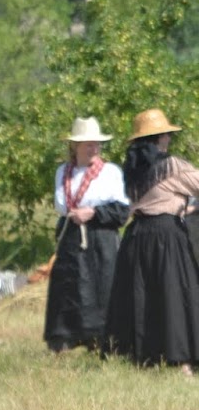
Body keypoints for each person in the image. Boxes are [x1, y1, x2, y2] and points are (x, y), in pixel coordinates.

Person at [102, 108, 199, 375]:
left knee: (141, 297)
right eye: (166, 134)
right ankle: (182, 362)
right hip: (166, 234)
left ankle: (146, 357)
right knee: (176, 295)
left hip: (136, 235)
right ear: (159, 138)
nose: (168, 139)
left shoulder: (130, 171)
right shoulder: (172, 166)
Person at [45, 117, 129, 353]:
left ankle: (102, 342)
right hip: (71, 235)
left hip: (100, 237)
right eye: (88, 144)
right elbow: (61, 205)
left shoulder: (111, 172)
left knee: (102, 287)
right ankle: (63, 340)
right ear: (75, 146)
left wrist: (93, 212)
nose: (94, 148)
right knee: (68, 288)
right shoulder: (63, 171)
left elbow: (122, 210)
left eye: (96, 144)